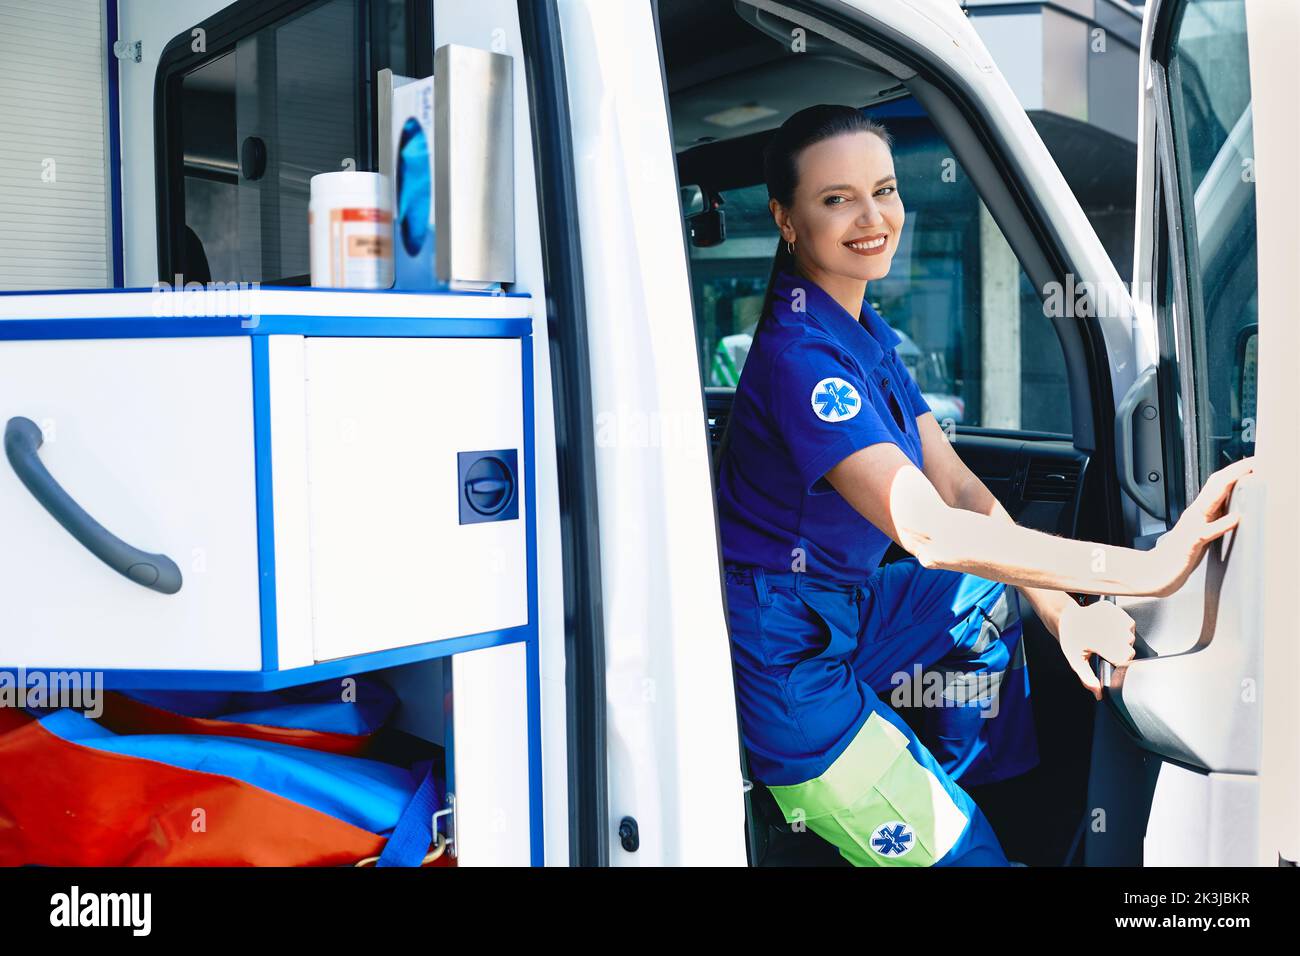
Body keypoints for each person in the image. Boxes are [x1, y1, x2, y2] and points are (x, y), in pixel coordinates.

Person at [716, 104, 1254, 867]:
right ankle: (948, 837)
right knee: (970, 858)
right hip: (788, 665)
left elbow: (962, 490)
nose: (873, 216)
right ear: (786, 218)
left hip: (847, 612)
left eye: (885, 189)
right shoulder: (802, 355)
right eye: (837, 199)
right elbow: (933, 533)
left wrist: (1068, 614)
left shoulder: (863, 331)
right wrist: (1147, 568)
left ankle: (948, 790)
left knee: (991, 602)